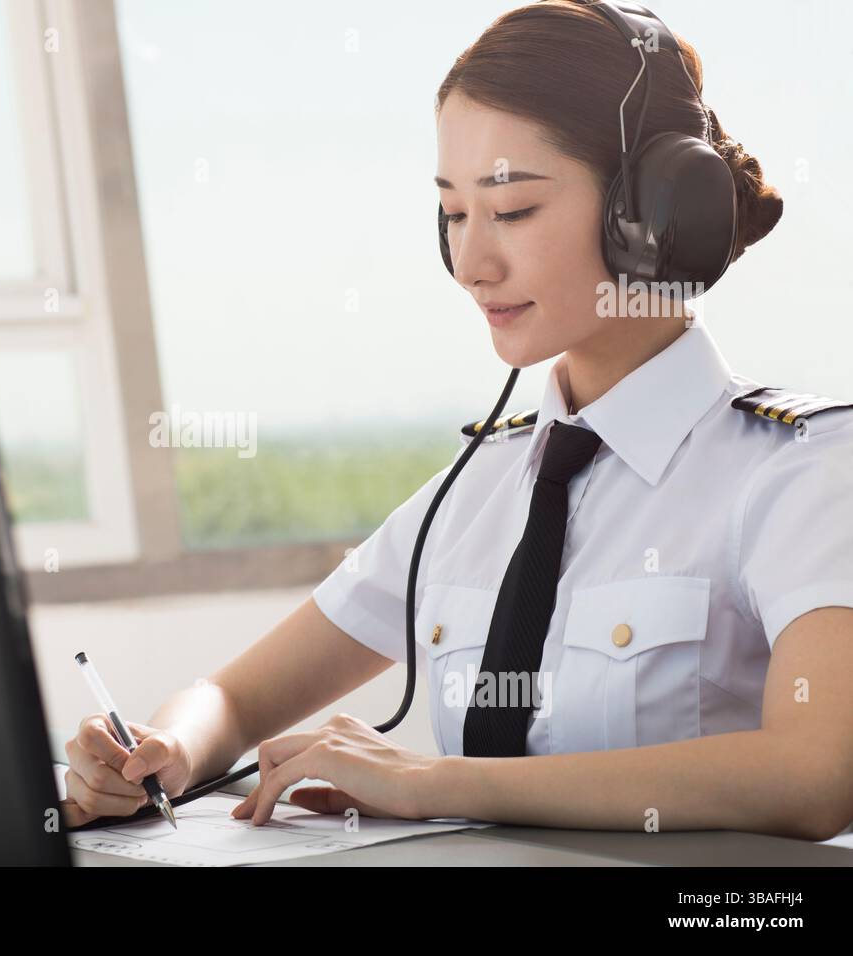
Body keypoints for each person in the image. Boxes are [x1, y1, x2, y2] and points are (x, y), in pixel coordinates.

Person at [60, 0, 853, 842]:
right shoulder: (482, 489)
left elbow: (817, 771)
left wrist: (438, 782)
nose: (472, 264)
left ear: (649, 220)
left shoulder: (804, 470)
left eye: (511, 212)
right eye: (454, 213)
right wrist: (160, 752)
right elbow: (233, 698)